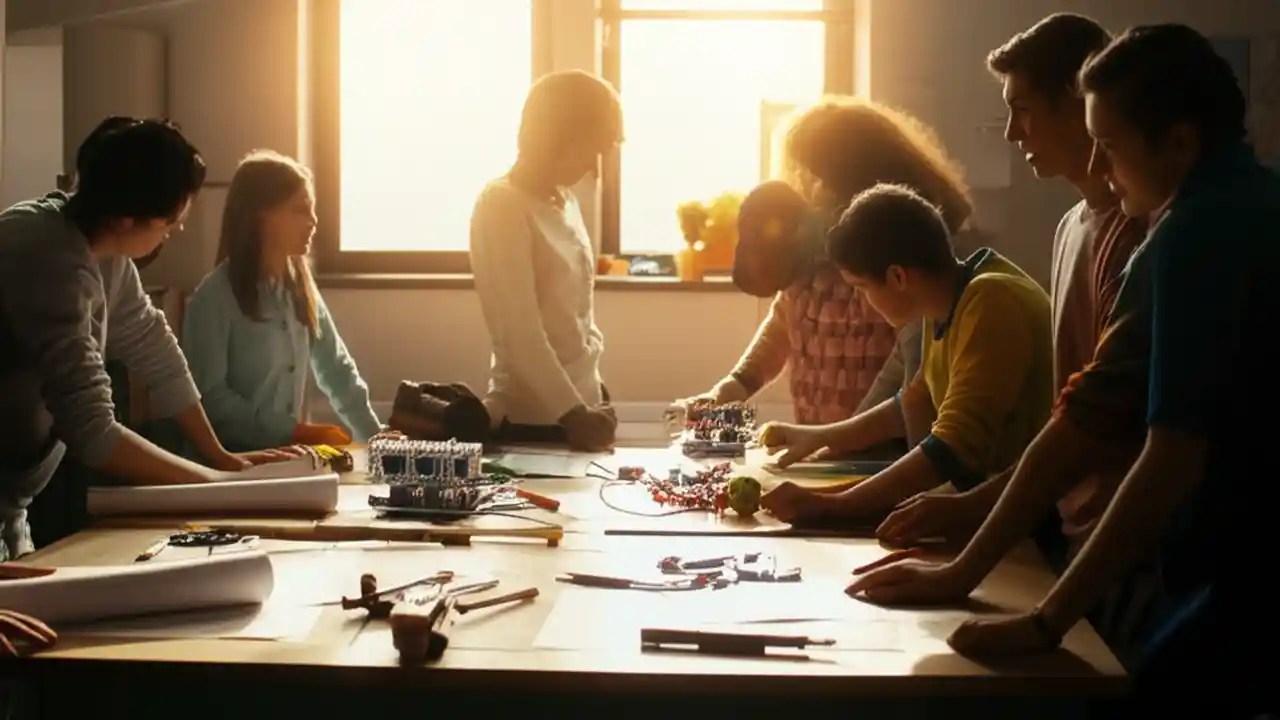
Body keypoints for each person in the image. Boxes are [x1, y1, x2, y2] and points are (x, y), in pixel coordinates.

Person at [848, 25, 1278, 716]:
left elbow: (1151, 449)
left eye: (1109, 146)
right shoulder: (1253, 201)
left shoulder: (1188, 236)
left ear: (1179, 143)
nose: (1103, 171)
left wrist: (1041, 613)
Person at [875, 13, 1148, 554]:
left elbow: (1102, 425)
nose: (1010, 131)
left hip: (1123, 535)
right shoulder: (1070, 226)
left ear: (1079, 103)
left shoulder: (1137, 233)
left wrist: (975, 514)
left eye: (1022, 109)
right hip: (1064, 519)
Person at [0, 118, 295, 561]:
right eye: (170, 221)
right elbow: (91, 430)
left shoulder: (105, 252)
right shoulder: (49, 260)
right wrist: (215, 487)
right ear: (126, 217)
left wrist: (217, 456)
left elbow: (153, 347)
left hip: (11, 512)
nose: (174, 231)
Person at [675, 98, 979, 428]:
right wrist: (726, 391)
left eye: (819, 178)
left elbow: (910, 371)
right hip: (820, 442)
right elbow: (779, 332)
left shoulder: (900, 264)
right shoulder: (804, 255)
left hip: (882, 447)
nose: (809, 189)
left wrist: (842, 440)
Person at [760, 184, 1053, 528]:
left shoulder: (990, 301)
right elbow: (913, 402)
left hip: (1029, 521)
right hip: (988, 506)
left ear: (898, 277)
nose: (861, 301)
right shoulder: (942, 306)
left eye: (862, 288)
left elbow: (952, 448)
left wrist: (834, 506)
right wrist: (823, 436)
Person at [182, 150, 382, 451]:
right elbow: (211, 399)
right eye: (301, 209)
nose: (313, 221)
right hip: (232, 464)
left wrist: (376, 438)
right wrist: (293, 431)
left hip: (289, 459)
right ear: (261, 214)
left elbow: (336, 369)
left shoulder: (300, 289)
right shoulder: (213, 298)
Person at [470, 70, 622, 452]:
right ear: (558, 135)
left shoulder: (566, 202)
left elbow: (576, 317)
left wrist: (598, 393)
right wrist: (574, 415)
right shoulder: (500, 205)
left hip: (580, 414)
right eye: (592, 148)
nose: (593, 165)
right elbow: (519, 332)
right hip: (534, 422)